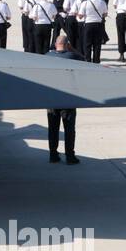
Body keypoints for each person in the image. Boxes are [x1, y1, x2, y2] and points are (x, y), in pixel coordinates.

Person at [45, 34, 80, 164]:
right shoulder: (72, 56)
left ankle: (53, 154)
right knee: (69, 129)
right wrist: (72, 48)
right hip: (68, 98)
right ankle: (70, 156)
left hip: (52, 98)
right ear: (67, 45)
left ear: (55, 44)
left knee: (53, 128)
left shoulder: (47, 56)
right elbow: (84, 58)